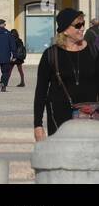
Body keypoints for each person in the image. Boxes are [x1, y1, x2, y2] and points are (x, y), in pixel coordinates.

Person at [34, 8, 99, 139]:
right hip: (60, 119)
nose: (82, 28)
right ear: (65, 30)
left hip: (91, 117)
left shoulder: (94, 51)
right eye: (77, 25)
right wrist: (38, 125)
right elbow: (41, 92)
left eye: (83, 24)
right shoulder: (51, 54)